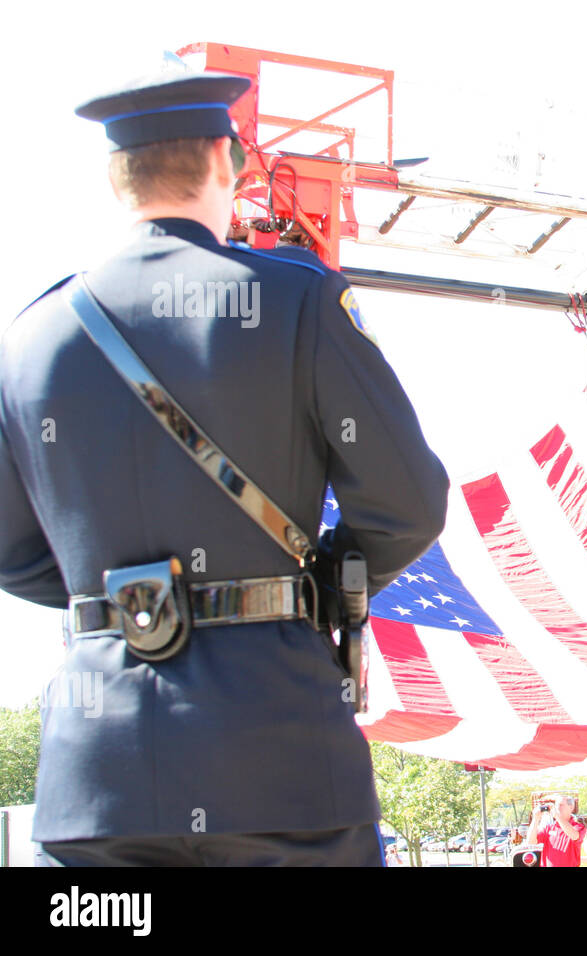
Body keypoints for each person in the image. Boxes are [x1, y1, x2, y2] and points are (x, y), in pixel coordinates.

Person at [0, 67, 449, 866]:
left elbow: (11, 553)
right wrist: (317, 586)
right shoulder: (299, 301)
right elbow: (409, 504)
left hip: (97, 785)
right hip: (280, 765)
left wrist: (122, 602)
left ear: (117, 181)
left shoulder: (27, 342)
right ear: (225, 160)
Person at [527, 795, 585, 867]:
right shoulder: (549, 828)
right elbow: (531, 842)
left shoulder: (578, 827)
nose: (557, 808)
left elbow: (574, 836)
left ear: (571, 807)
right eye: (556, 805)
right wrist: (535, 819)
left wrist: (557, 816)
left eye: (561, 805)